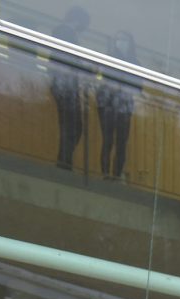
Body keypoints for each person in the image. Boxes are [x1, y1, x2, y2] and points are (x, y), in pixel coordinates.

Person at [47, 8, 92, 171]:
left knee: (72, 125)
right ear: (78, 20)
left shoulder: (64, 32)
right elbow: (68, 59)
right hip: (65, 84)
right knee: (72, 125)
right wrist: (85, 68)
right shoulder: (64, 31)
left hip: (65, 84)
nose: (85, 27)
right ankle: (64, 161)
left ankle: (64, 160)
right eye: (85, 24)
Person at [95, 30, 138, 181]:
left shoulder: (134, 62)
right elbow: (102, 81)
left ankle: (116, 174)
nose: (121, 42)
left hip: (124, 106)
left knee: (121, 143)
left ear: (130, 43)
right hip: (108, 105)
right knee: (108, 140)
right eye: (118, 39)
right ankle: (106, 173)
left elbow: (139, 86)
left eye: (124, 40)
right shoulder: (109, 58)